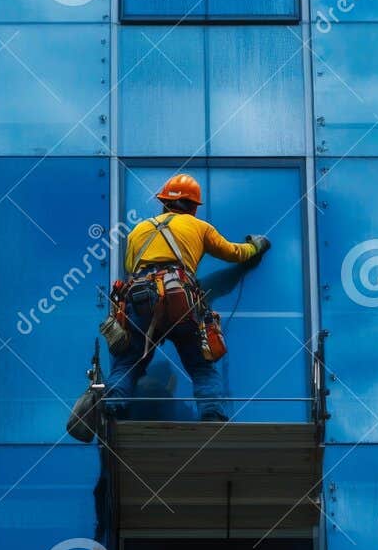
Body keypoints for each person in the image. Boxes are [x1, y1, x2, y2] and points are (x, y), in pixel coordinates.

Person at [105, 173, 270, 422]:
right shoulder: (199, 227)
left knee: (128, 362)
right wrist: (257, 245)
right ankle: (212, 414)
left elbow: (131, 267)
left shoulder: (138, 230)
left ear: (164, 202)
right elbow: (234, 253)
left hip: (141, 299)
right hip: (180, 299)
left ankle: (113, 405)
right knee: (201, 366)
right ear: (193, 206)